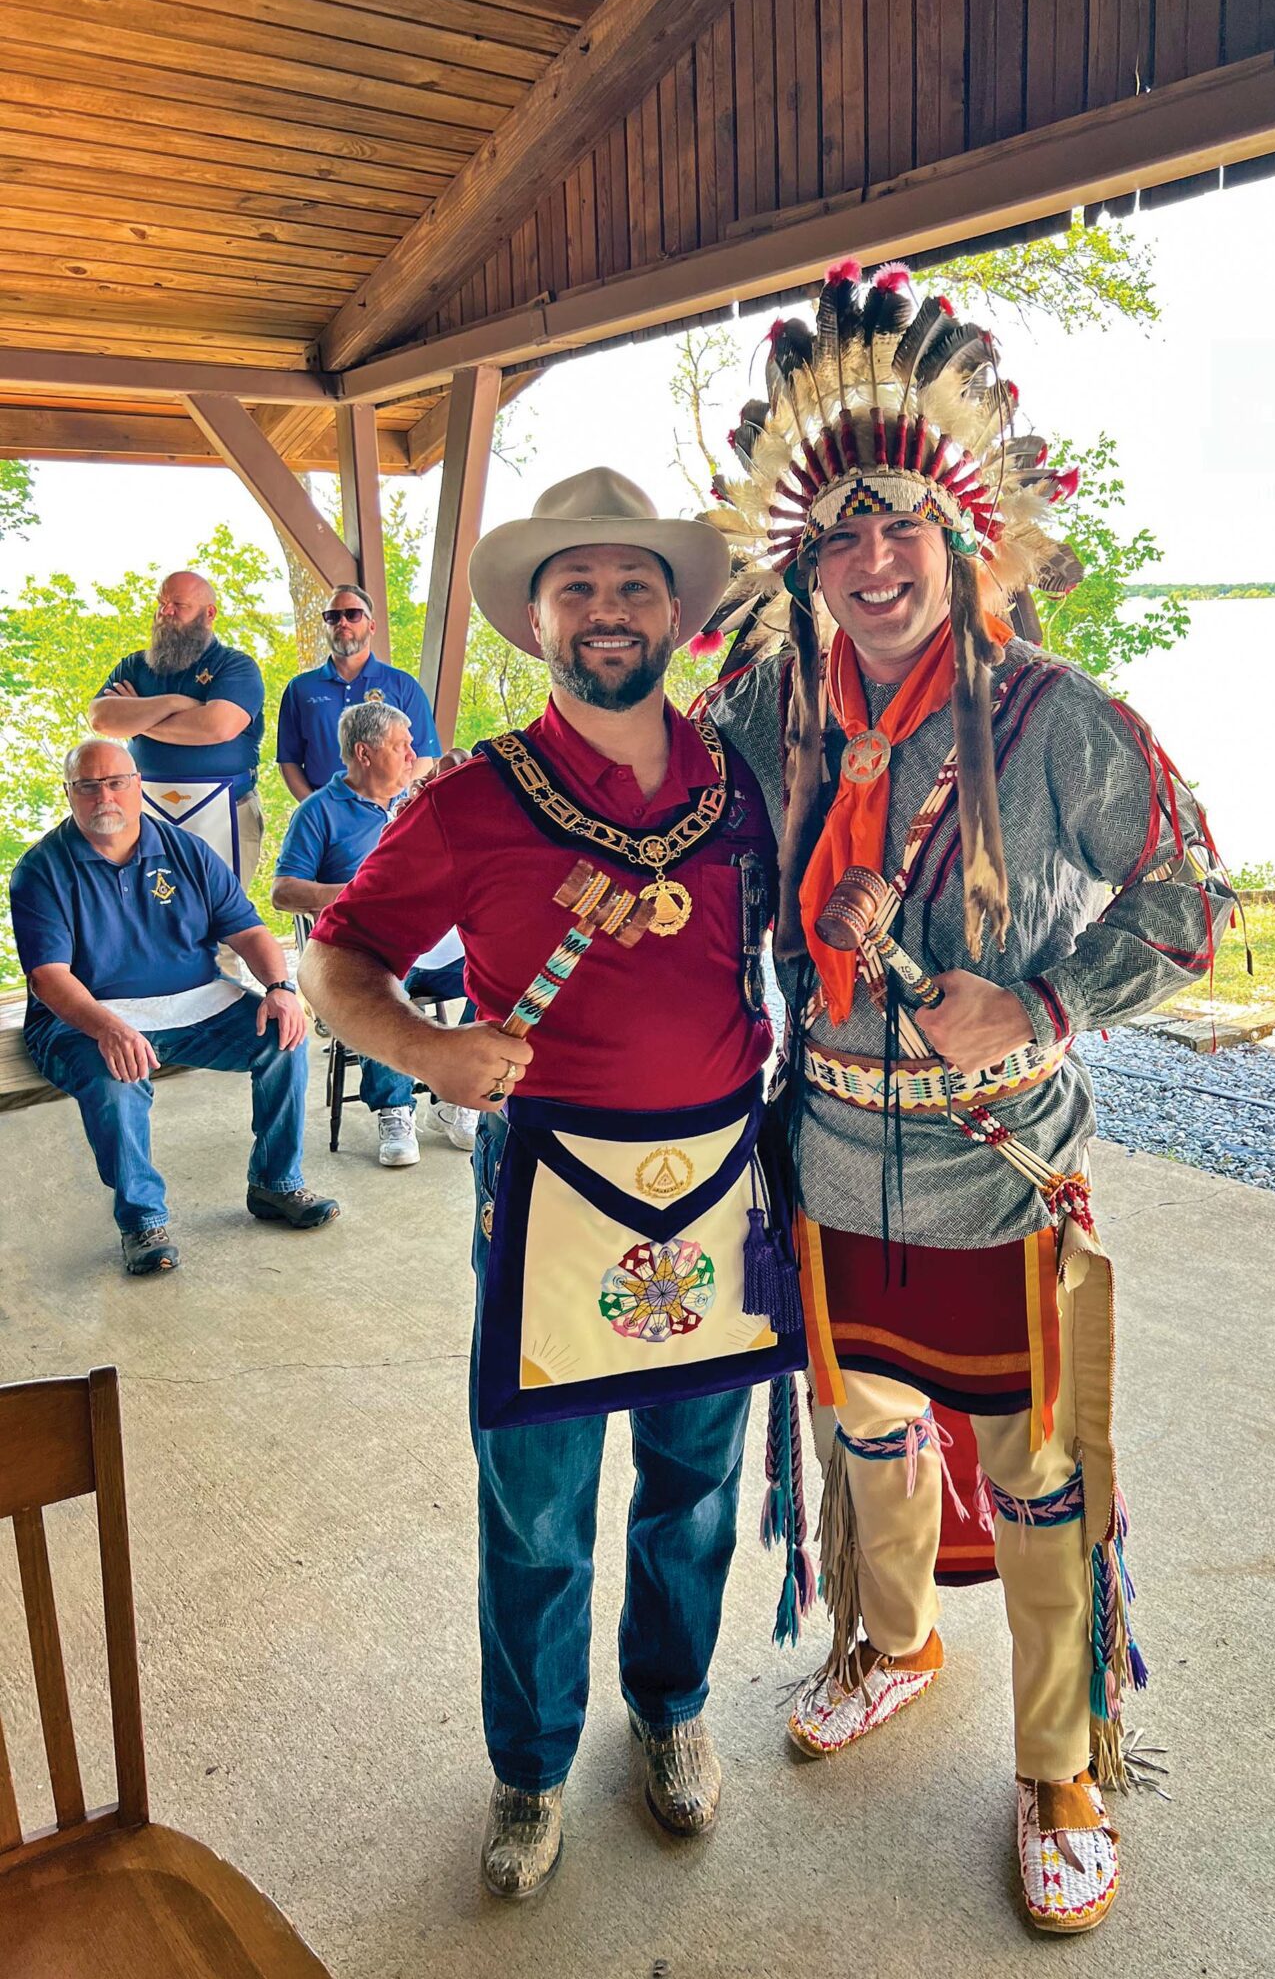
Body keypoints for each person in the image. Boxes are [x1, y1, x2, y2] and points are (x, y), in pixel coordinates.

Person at [704, 262, 1236, 1934]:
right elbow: (676, 847)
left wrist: (1054, 994)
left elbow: (1193, 900)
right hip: (830, 1147)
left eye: (903, 529)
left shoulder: (1050, 719)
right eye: (839, 533)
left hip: (1000, 1160)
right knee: (863, 1423)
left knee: (1036, 1469)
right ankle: (892, 1635)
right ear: (804, 555)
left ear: (959, 539)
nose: (872, 563)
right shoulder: (770, 706)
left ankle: (1059, 1762)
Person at [299, 471, 804, 1901]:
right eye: (576, 588)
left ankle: (671, 1708)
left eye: (633, 585)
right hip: (549, 1190)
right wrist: (419, 1044)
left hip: (721, 1175)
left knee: (697, 1486)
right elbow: (335, 956)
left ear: (676, 615)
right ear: (536, 619)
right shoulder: (466, 803)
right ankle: (528, 1766)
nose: (605, 610)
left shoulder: (740, 787)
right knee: (536, 1504)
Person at [9, 738, 340, 1275]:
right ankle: (142, 1222)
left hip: (193, 1003)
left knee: (282, 1040)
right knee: (116, 1082)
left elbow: (249, 930)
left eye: (116, 782)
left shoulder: (186, 852)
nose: (104, 796)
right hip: (85, 1018)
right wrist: (109, 1028)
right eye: (88, 786)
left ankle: (276, 1185)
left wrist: (281, 987)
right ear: (69, 793)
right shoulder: (42, 870)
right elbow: (50, 979)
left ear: (138, 786)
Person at [271, 700, 479, 1164]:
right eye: (401, 746)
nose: (412, 755)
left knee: (499, 960)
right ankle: (394, 1109)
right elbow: (283, 892)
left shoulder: (420, 801)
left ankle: (459, 1100)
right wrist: (360, 895)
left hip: (437, 946)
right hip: (381, 949)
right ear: (364, 754)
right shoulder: (318, 812)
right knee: (373, 977)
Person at [87, 570, 266, 888]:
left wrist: (138, 718)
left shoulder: (235, 666)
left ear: (209, 614)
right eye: (161, 603)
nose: (165, 612)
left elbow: (218, 727)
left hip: (226, 810)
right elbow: (101, 719)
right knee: (153, 912)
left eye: (178, 605)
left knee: (222, 918)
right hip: (146, 810)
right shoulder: (135, 666)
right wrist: (172, 703)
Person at [276, 585, 440, 800]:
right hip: (325, 816)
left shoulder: (403, 685)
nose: (342, 622)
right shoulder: (300, 688)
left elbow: (424, 757)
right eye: (332, 616)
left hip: (388, 818)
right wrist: (315, 809)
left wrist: (393, 807)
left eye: (352, 614)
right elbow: (289, 760)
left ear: (372, 626)